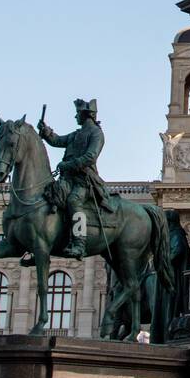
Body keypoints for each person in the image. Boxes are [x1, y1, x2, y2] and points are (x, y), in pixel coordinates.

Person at [38, 98, 112, 260]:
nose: (75, 117)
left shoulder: (96, 133)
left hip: (84, 180)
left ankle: (79, 243)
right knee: (48, 196)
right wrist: (46, 131)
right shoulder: (76, 134)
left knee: (73, 201)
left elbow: (90, 157)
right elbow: (57, 141)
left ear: (86, 115)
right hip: (67, 179)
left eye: (78, 113)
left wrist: (69, 164)